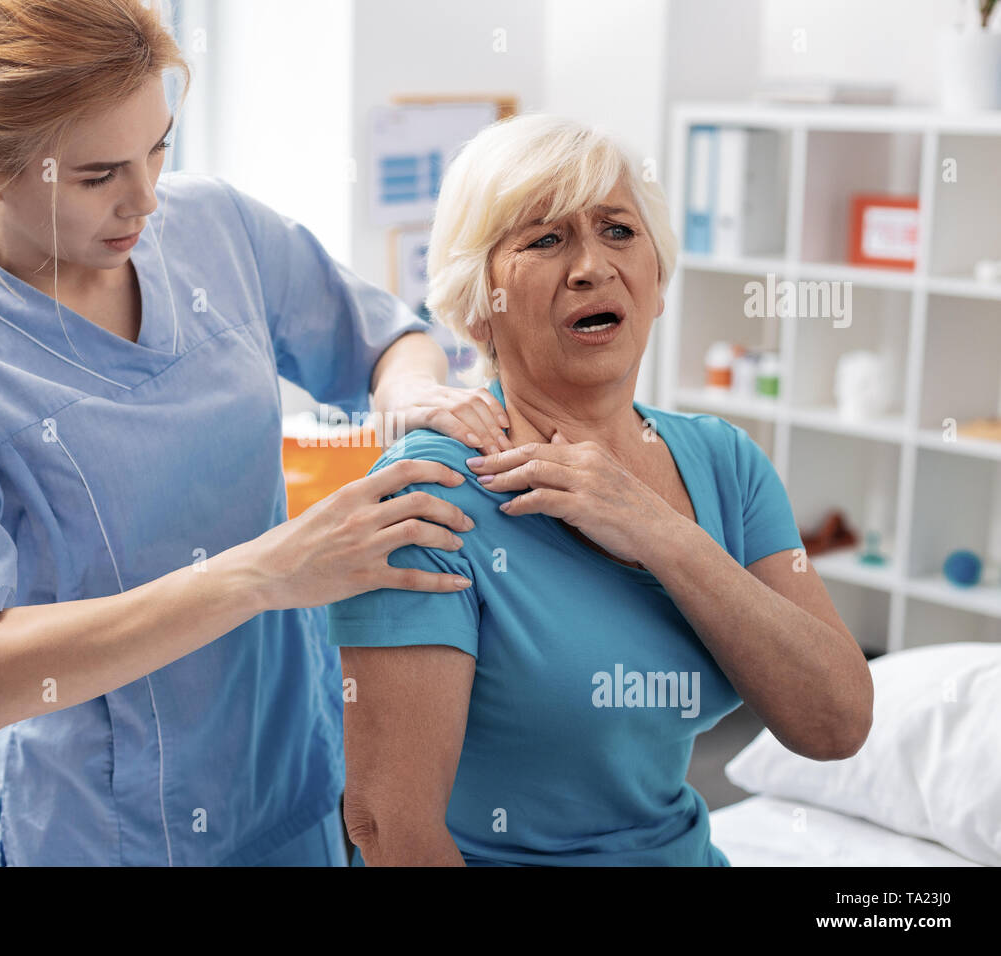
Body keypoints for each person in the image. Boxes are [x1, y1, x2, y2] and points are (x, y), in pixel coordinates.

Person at [0, 0, 513, 866]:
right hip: (102, 827)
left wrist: (413, 395)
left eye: (158, 147)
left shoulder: (214, 228)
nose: (145, 199)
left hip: (290, 777)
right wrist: (268, 573)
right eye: (96, 175)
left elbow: (388, 339)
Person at [327, 113, 874, 866]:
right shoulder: (431, 494)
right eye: (544, 239)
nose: (591, 266)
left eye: (618, 231)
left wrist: (659, 531)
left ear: (655, 281)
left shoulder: (723, 462)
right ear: (477, 303)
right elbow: (389, 827)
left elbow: (837, 723)